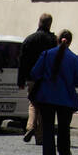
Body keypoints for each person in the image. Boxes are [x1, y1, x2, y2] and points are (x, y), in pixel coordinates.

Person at [30, 30, 78, 155]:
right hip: (66, 99)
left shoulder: (47, 54)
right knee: (64, 129)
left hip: (46, 97)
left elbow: (35, 73)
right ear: (70, 42)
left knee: (47, 129)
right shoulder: (74, 59)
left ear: (57, 40)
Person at [18, 13, 56, 144]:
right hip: (47, 78)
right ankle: (40, 137)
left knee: (33, 103)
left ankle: (30, 126)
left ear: (39, 22)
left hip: (31, 77)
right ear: (50, 24)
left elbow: (22, 61)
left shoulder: (30, 39)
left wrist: (20, 80)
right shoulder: (52, 40)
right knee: (44, 106)